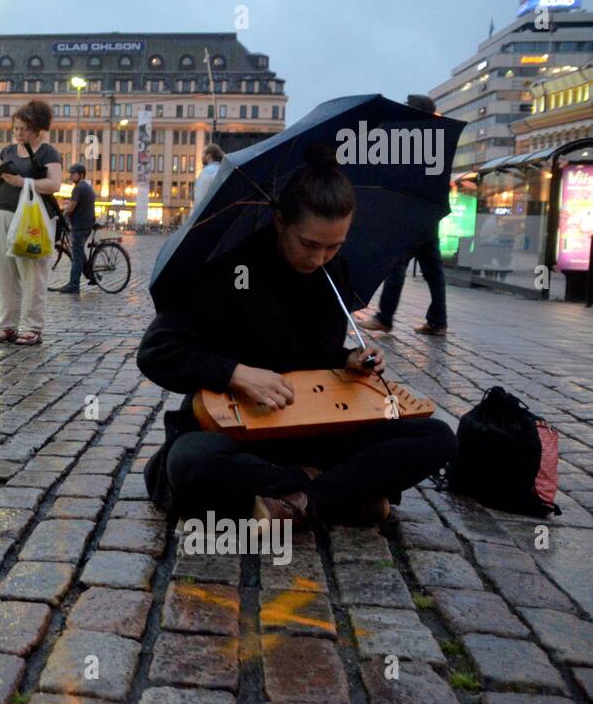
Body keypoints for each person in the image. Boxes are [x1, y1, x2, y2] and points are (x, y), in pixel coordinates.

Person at [136, 150, 456, 526]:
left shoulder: (335, 272)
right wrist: (236, 373)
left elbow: (311, 355)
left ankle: (303, 502)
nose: (319, 258)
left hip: (315, 430)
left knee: (437, 437)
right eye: (309, 244)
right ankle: (340, 493)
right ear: (279, 222)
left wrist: (349, 360)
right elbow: (156, 352)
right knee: (190, 461)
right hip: (244, 434)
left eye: (333, 246)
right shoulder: (229, 270)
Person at [357, 94, 449, 336]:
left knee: (396, 264)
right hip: (428, 214)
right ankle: (438, 321)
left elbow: (404, 176)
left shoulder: (416, 137)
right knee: (433, 271)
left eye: (408, 107)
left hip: (412, 216)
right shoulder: (437, 137)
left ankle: (385, 317)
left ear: (417, 111)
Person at [0, 100, 63, 346]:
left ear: (38, 129)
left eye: (23, 129)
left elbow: (54, 184)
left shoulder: (47, 152)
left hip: (32, 216)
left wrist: (23, 182)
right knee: (6, 273)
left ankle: (32, 327)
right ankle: (8, 326)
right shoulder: (7, 151)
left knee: (33, 273)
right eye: (15, 128)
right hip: (2, 212)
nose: (18, 133)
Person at [52, 163, 95, 294]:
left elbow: (71, 207)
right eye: (70, 173)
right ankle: (91, 275)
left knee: (76, 256)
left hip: (80, 225)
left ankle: (74, 285)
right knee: (79, 252)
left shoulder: (78, 188)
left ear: (81, 175)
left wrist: (61, 215)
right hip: (87, 223)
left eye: (73, 173)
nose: (70, 175)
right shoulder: (87, 187)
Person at [191, 143, 225, 214]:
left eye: (203, 153)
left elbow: (200, 201)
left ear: (209, 157)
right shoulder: (224, 171)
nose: (201, 156)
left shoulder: (207, 173)